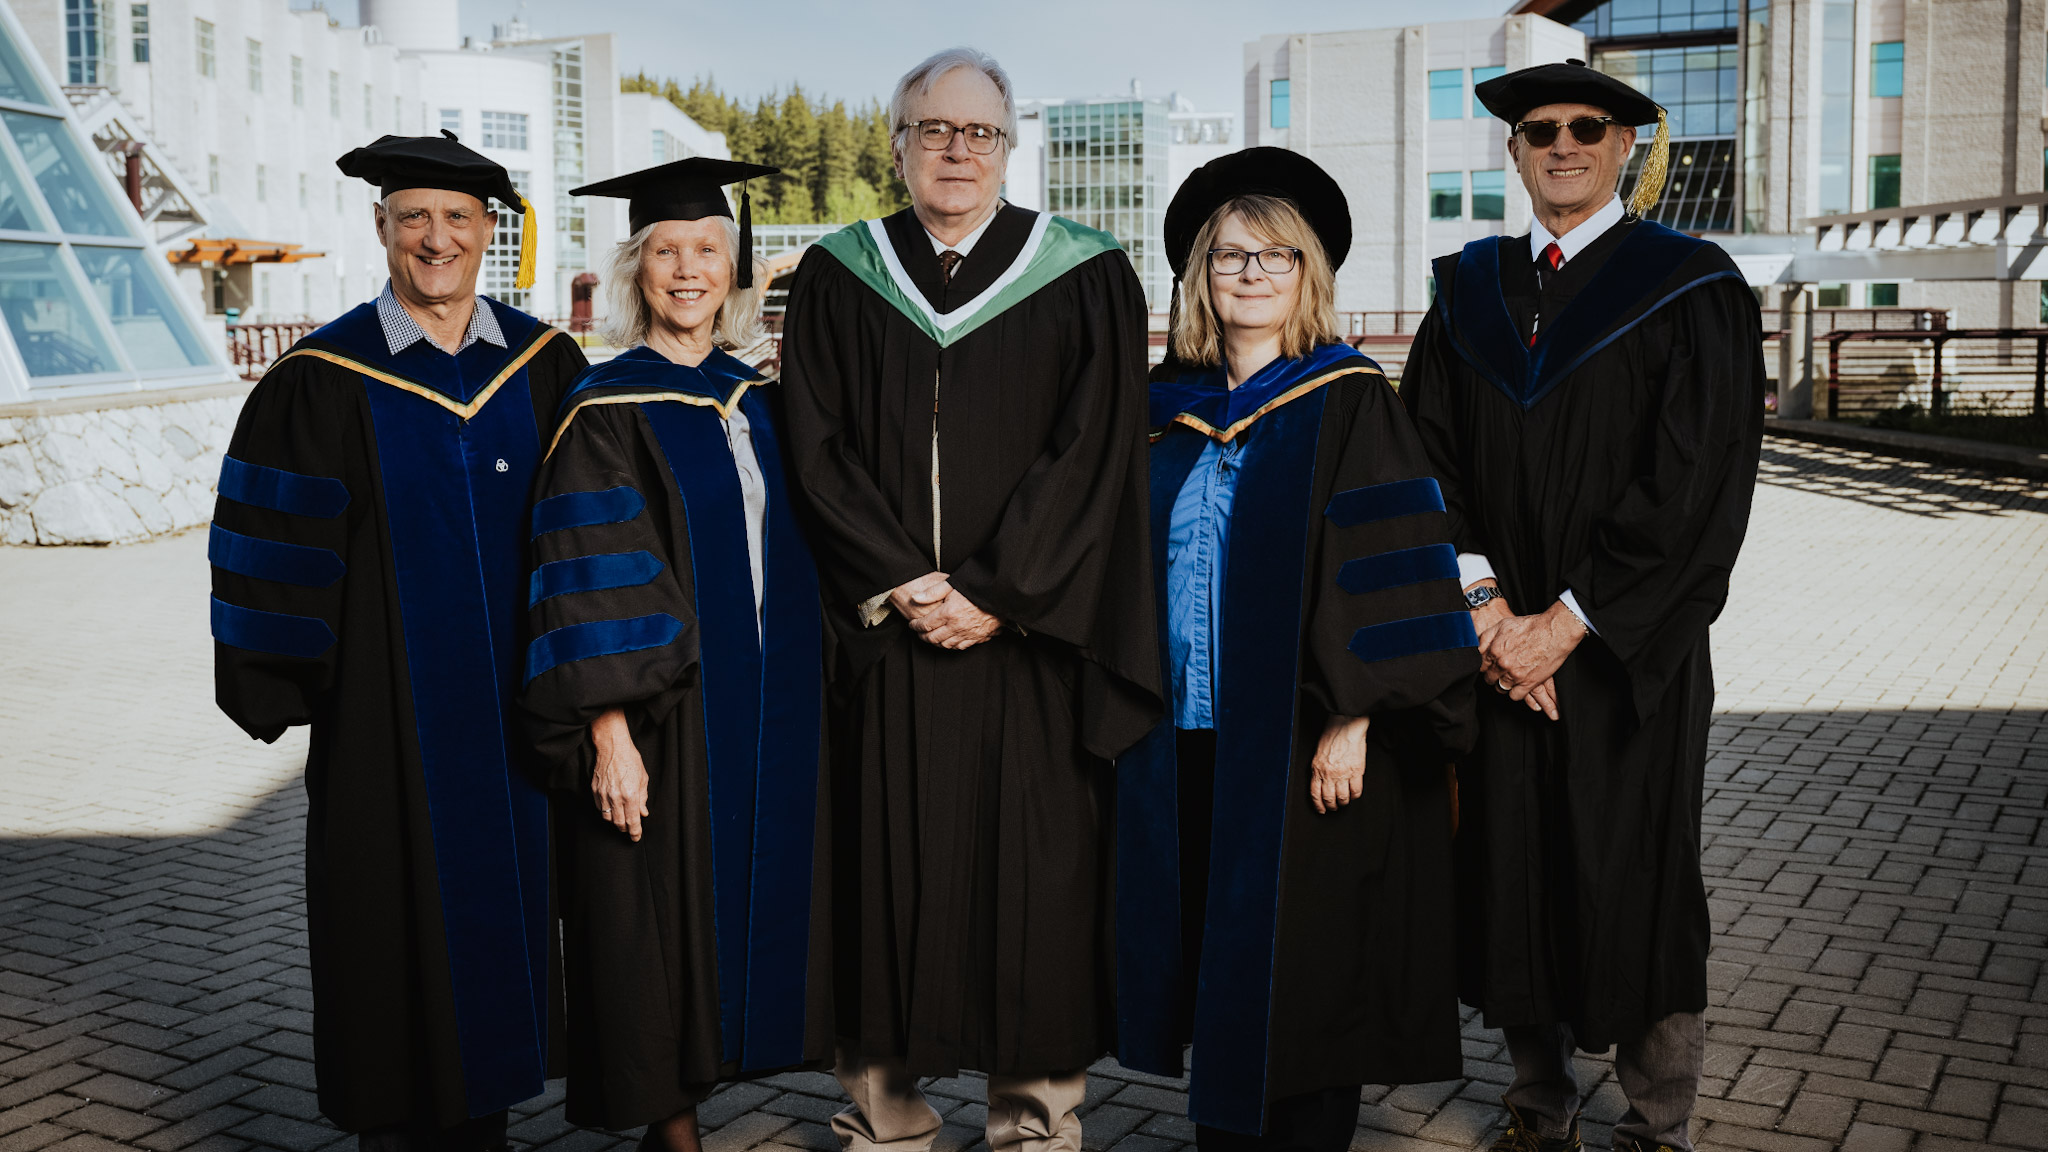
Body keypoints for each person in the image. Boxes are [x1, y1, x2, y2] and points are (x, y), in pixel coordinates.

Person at [778, 46, 1160, 1152]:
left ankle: (1034, 1125)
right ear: (895, 145)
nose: (954, 149)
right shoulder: (841, 272)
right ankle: (884, 1119)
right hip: (888, 642)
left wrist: (995, 591)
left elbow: (1094, 453)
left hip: (1028, 644)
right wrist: (903, 580)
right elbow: (816, 446)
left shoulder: (1084, 273)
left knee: (1035, 890)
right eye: (930, 129)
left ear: (1008, 143)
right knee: (880, 877)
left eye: (976, 131)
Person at [1399, 60, 1765, 1152]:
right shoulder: (1467, 288)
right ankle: (1535, 1106)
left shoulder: (1687, 283)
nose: (1559, 144)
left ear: (1620, 148)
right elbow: (1423, 460)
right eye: (1537, 130)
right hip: (1494, 645)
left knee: (1635, 872)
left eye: (1584, 128)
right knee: (1508, 869)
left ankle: (1656, 1122)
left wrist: (1562, 625)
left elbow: (1695, 481)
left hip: (1621, 661)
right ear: (1512, 152)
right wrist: (1481, 609)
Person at [208, 133, 586, 1149]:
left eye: (458, 219)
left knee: (501, 932)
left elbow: (597, 531)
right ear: (381, 228)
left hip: (517, 725)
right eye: (414, 217)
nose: (436, 239)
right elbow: (269, 545)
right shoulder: (321, 379)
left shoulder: (546, 367)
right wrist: (284, 682)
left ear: (488, 233)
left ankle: (488, 1124)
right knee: (383, 931)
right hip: (381, 728)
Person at [1115, 148, 1479, 1152]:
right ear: (1198, 274)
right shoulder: (1157, 415)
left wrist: (1353, 716)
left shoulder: (1350, 399)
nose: (1249, 273)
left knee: (1308, 980)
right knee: (1214, 969)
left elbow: (1397, 569)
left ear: (1307, 275)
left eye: (1276, 256)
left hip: (1304, 744)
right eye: (1228, 255)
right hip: (1183, 740)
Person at [519, 158, 832, 1151]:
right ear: (634, 268)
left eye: (707, 251)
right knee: (646, 920)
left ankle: (729, 1070)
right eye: (665, 251)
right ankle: (672, 1126)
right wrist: (607, 733)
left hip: (770, 710)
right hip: (662, 719)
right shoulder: (603, 407)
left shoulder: (766, 401)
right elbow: (582, 572)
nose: (686, 269)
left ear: (734, 271)